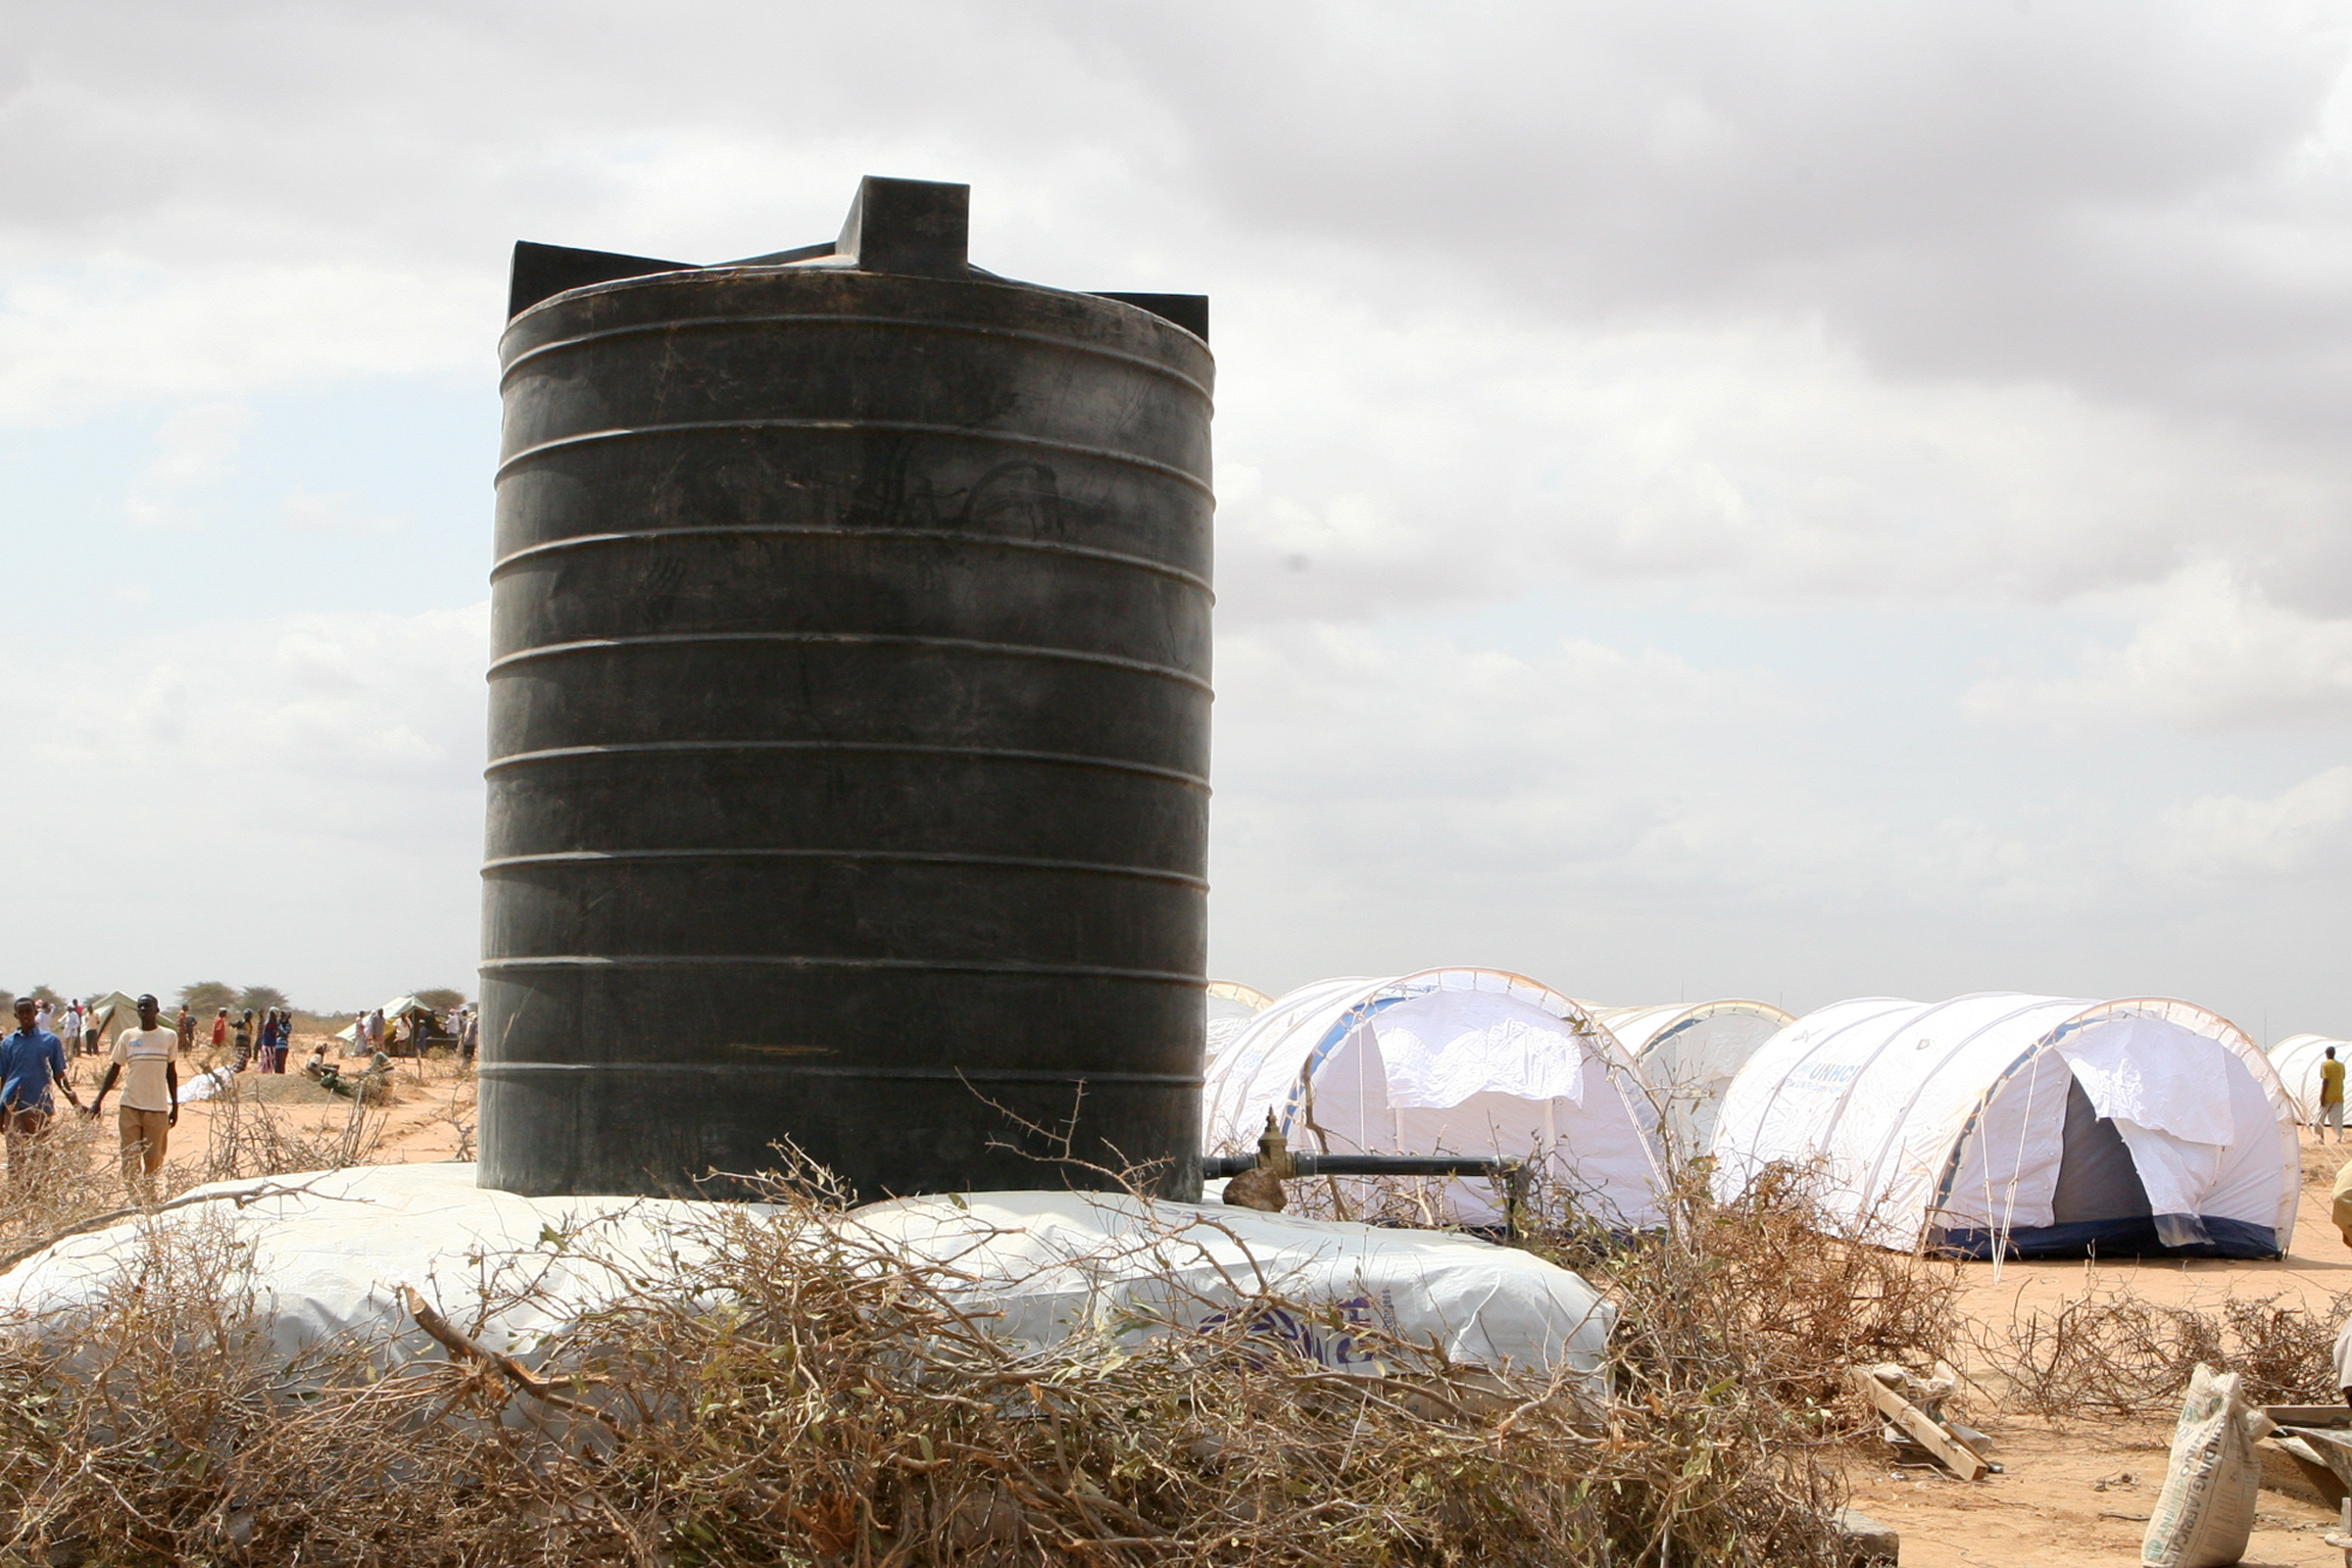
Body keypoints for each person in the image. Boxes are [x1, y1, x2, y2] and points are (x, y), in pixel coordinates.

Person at [88, 994, 178, 1200]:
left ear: (157, 1010)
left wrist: (175, 1105)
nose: (143, 1011)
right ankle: (134, 1199)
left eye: (148, 1007)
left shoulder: (169, 1037)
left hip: (157, 1108)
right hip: (130, 1106)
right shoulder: (128, 1037)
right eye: (140, 1007)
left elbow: (171, 1073)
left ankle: (150, 1198)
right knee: (129, 1156)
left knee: (154, 1158)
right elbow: (114, 1069)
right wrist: (98, 1100)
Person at [0, 997, 81, 1185]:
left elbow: (59, 1076)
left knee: (41, 1157)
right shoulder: (8, 1044)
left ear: (36, 1013)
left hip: (40, 1106)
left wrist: (76, 1103)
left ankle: (39, 1198)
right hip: (13, 1107)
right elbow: (3, 1078)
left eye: (29, 1011)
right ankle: (18, 1198)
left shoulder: (50, 1041)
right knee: (16, 1157)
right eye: (21, 1013)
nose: (26, 1016)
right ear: (16, 1016)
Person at [2323, 1048, 2345, 1145]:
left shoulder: (2326, 1065)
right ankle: (2339, 1137)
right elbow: (2342, 1077)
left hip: (2328, 1095)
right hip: (2339, 1094)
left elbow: (2325, 1081)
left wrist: (2322, 1095)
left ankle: (2319, 1137)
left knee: (2319, 1118)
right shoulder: (2341, 1066)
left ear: (2327, 1054)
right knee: (2337, 1118)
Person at [270, 1009, 292, 1075]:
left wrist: (280, 1026)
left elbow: (285, 1033)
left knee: (281, 1063)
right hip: (276, 1045)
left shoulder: (288, 1025)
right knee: (276, 1063)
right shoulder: (278, 1023)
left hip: (283, 1045)